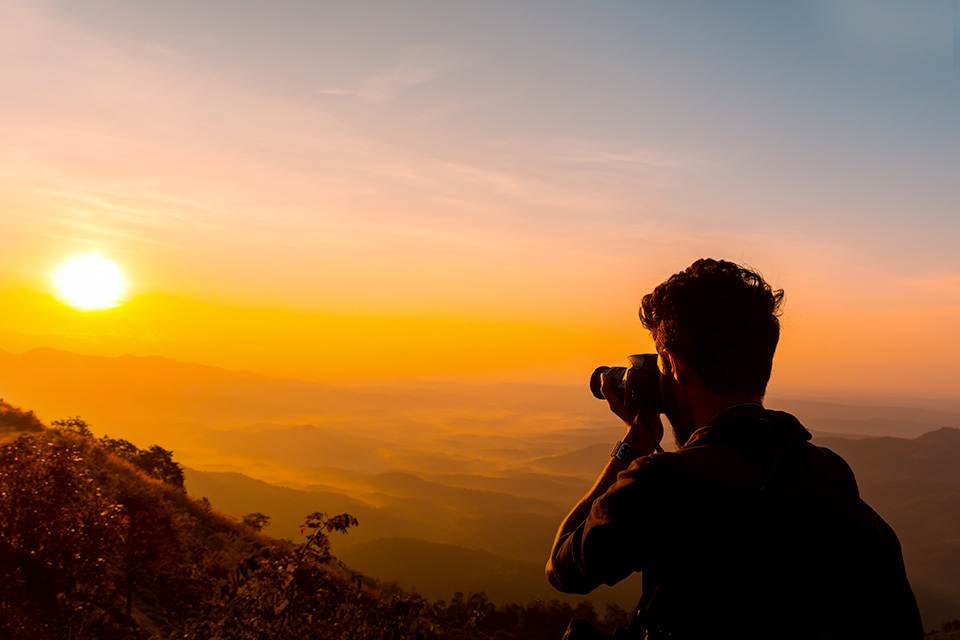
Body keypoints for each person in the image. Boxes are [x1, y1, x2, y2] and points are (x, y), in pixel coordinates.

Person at [545, 259, 922, 639]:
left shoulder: (661, 484)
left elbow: (562, 569)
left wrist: (632, 448)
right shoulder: (828, 471)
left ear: (673, 365)